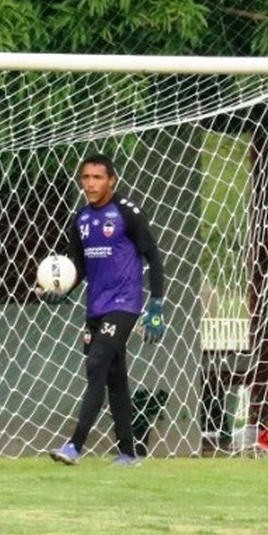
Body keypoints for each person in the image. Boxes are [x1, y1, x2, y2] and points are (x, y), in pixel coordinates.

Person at [41, 153, 166, 466]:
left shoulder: (128, 213)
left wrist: (156, 303)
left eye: (97, 177)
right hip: (95, 307)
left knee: (96, 363)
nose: (90, 183)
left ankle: (75, 445)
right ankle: (128, 453)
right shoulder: (81, 219)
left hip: (124, 303)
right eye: (86, 177)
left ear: (112, 180)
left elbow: (154, 257)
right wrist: (60, 290)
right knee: (114, 377)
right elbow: (76, 268)